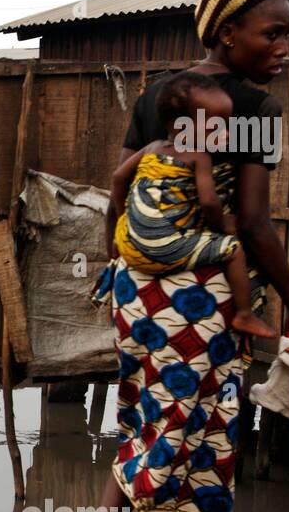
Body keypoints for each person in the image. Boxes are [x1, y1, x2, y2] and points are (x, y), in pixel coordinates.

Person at [57, 0, 289, 512]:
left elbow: (129, 180)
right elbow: (256, 224)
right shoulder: (255, 110)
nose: (285, 46)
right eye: (274, 33)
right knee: (198, 439)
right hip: (206, 300)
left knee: (146, 417)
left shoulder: (159, 94)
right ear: (228, 33)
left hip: (138, 292)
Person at [110, 71, 275, 340]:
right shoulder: (199, 156)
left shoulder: (152, 148)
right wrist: (223, 225)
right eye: (216, 126)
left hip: (130, 243)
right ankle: (245, 315)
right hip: (163, 247)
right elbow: (209, 201)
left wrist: (123, 221)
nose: (225, 131)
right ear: (182, 125)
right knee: (232, 250)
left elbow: (118, 179)